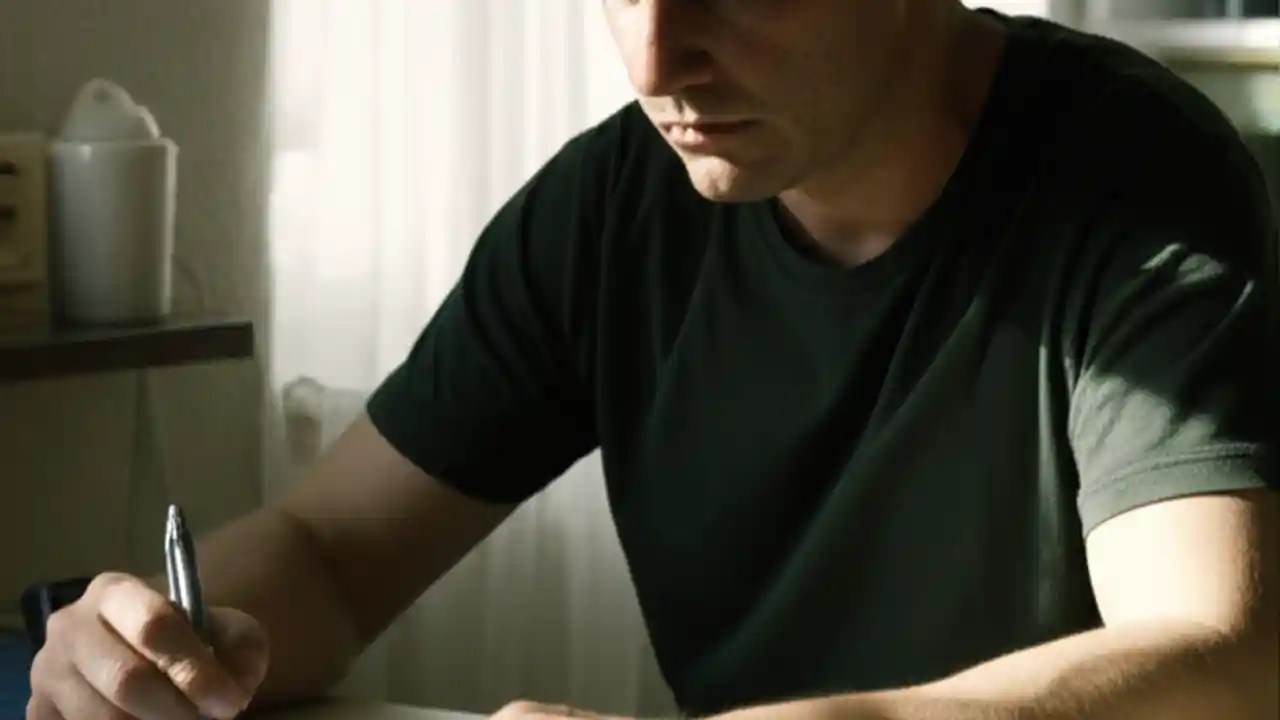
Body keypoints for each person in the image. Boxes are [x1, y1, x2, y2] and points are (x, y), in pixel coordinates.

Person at [27, 1, 1278, 719]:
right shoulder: (614, 206)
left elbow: (1217, 652)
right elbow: (333, 552)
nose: (652, 62)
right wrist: (161, 647)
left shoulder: (1135, 176)